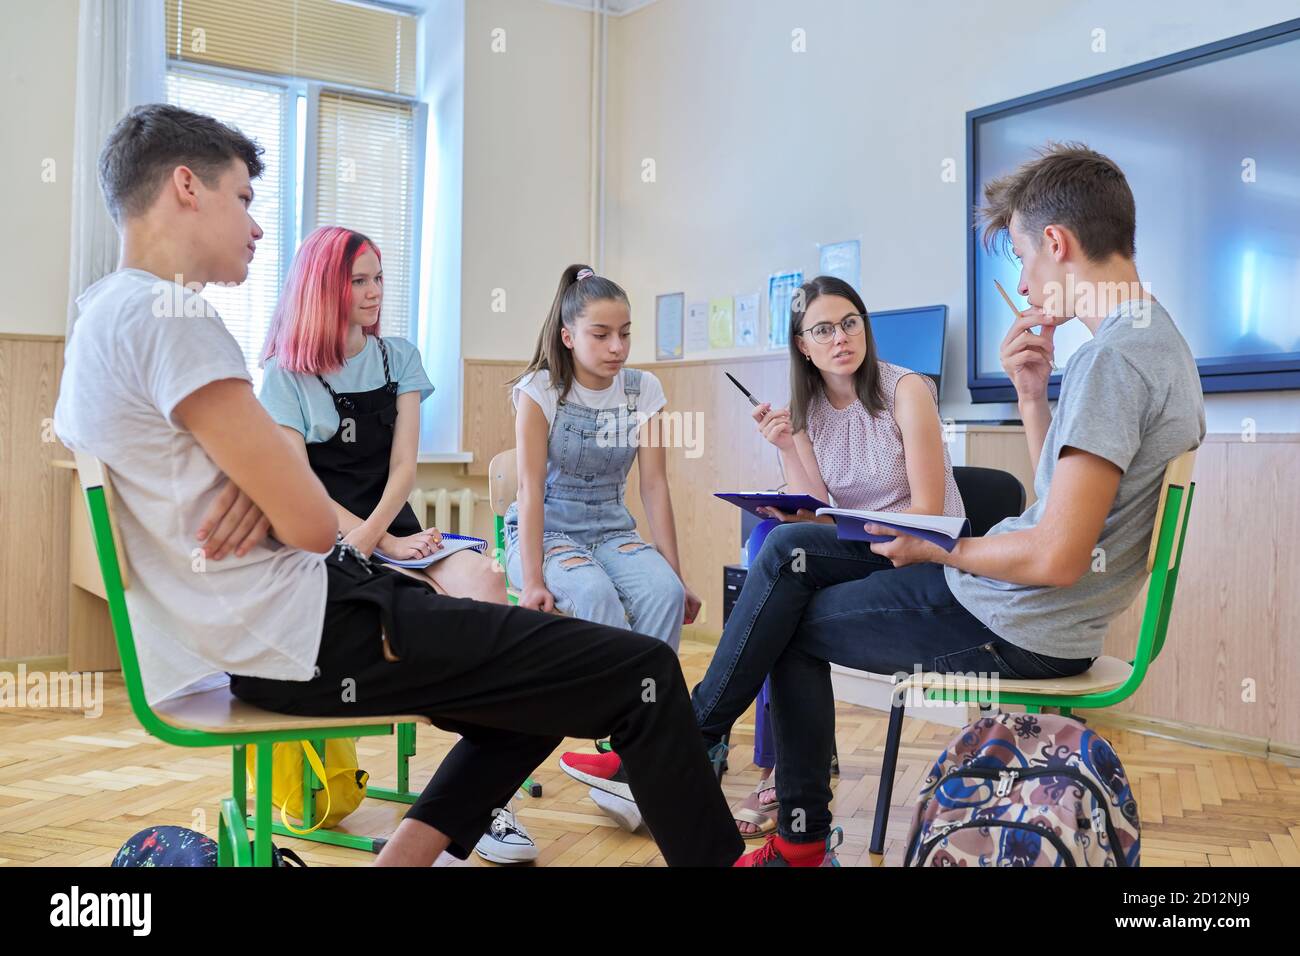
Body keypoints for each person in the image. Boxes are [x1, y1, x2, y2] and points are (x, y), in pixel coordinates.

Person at [52, 103, 744, 868]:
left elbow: (278, 496)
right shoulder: (170, 313)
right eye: (243, 198)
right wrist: (277, 486)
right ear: (187, 186)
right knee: (637, 667)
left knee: (550, 672)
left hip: (275, 630)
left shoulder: (100, 315)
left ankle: (404, 860)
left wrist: (272, 481)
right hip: (310, 633)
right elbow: (315, 525)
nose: (255, 225)